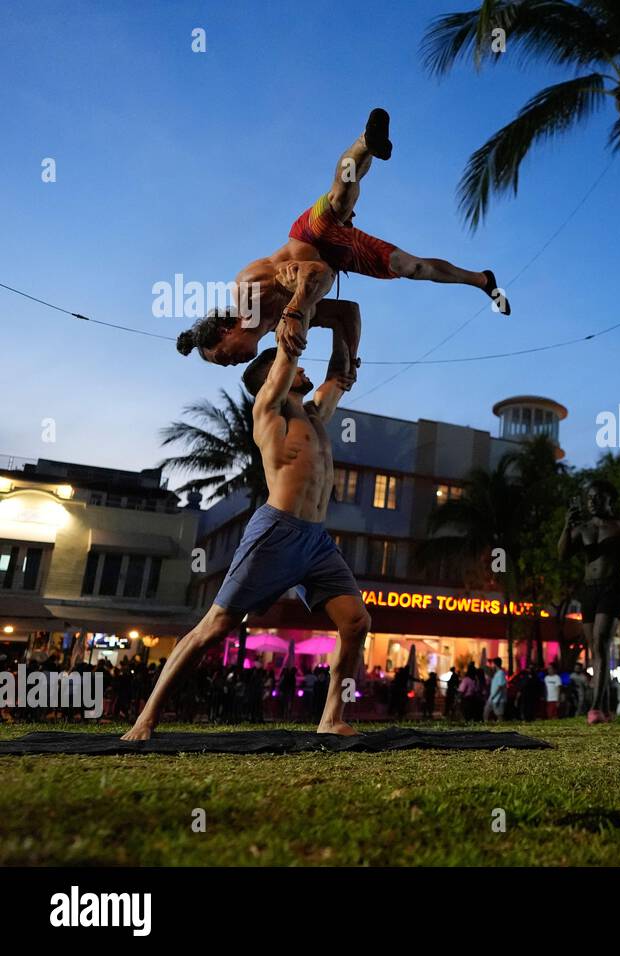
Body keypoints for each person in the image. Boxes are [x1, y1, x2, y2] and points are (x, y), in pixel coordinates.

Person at [122, 310, 368, 740]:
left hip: (316, 541)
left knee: (355, 622)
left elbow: (340, 371)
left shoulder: (314, 415)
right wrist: (294, 312)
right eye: (292, 366)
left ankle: (331, 719)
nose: (302, 368)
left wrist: (344, 330)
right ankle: (145, 720)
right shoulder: (268, 411)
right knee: (215, 627)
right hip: (276, 532)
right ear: (276, 375)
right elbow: (288, 355)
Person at [175, 109, 509, 370]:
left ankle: (366, 141)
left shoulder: (249, 289)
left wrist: (295, 310)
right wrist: (348, 357)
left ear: (224, 333)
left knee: (341, 198)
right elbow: (345, 313)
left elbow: (317, 273)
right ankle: (482, 279)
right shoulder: (278, 326)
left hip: (309, 235)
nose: (229, 364)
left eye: (221, 358)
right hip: (343, 255)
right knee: (414, 267)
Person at [558, 480, 620, 725]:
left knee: (599, 643)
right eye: (589, 498)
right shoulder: (582, 528)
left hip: (613, 588)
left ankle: (595, 708)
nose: (592, 501)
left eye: (598, 497)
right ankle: (605, 708)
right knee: (595, 648)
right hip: (588, 590)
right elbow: (563, 554)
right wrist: (567, 526)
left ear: (610, 499)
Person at [486, 657, 508, 723]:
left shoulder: (501, 673)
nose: (491, 666)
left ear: (495, 664)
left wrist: (494, 696)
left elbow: (500, 686)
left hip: (498, 699)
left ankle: (502, 729)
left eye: (492, 664)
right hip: (493, 698)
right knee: (487, 713)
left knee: (499, 716)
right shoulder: (497, 673)